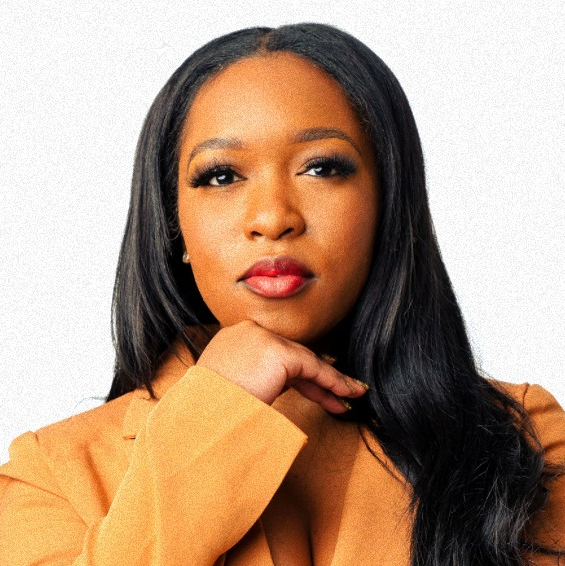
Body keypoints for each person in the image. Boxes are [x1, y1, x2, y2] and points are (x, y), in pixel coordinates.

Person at [0, 22, 564, 566]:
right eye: (222, 176)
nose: (273, 218)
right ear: (174, 226)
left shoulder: (525, 441)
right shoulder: (50, 476)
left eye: (321, 168)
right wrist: (214, 410)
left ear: (387, 204)